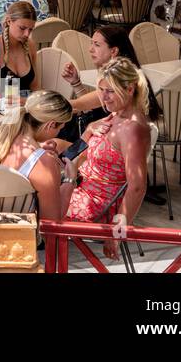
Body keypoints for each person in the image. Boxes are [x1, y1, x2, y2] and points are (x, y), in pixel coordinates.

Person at [62, 58, 155, 256]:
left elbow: (137, 187)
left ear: (130, 89)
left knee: (35, 207)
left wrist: (117, 233)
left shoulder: (133, 129)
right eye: (101, 90)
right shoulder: (114, 116)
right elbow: (76, 154)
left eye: (110, 91)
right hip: (80, 189)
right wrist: (88, 130)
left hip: (99, 207)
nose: (104, 98)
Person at [0, 90, 73, 221]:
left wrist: (36, 147)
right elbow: (51, 222)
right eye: (59, 129)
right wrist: (70, 180)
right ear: (51, 125)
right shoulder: (43, 164)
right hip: (15, 237)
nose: (58, 133)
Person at [60, 26, 152, 141]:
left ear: (113, 51)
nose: (91, 49)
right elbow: (90, 108)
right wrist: (76, 82)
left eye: (97, 45)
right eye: (91, 43)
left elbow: (78, 105)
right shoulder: (121, 72)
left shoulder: (120, 80)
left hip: (112, 140)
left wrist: (41, 108)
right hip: (102, 135)